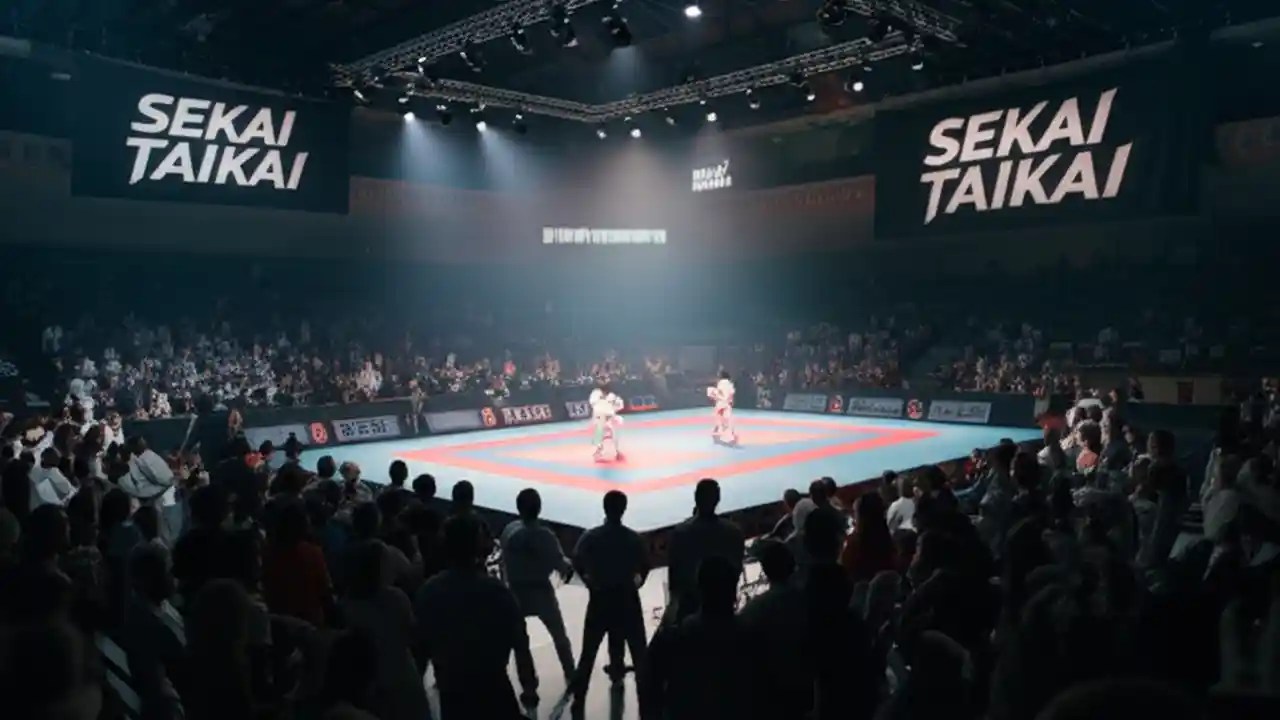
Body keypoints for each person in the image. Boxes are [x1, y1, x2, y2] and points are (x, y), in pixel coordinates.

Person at [414, 514, 535, 719]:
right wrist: (529, 687)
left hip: (452, 695)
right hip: (494, 691)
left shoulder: (430, 591)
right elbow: (520, 645)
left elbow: (419, 650)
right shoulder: (498, 592)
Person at [570, 490, 651, 710]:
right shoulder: (633, 538)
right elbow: (646, 564)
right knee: (639, 654)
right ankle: (648, 703)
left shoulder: (591, 537)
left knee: (588, 653)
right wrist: (638, 581)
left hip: (600, 598)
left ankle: (579, 700)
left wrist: (588, 580)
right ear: (623, 509)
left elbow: (576, 559)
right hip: (627, 598)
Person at [645, 556, 753, 720]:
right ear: (733, 593)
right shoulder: (752, 638)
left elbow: (650, 694)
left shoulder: (671, 640)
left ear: (700, 590)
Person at [499, 488, 577, 695]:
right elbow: (560, 565)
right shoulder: (545, 536)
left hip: (516, 591)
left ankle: (529, 687)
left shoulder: (509, 531)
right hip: (541, 591)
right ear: (539, 508)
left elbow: (502, 562)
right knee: (559, 635)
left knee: (519, 643)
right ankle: (571, 674)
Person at [665, 479, 745, 624]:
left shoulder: (681, 533)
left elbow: (675, 579)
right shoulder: (733, 532)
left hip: (691, 606)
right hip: (724, 604)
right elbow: (737, 569)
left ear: (695, 497)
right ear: (718, 499)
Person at [588, 381, 625, 461]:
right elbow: (595, 406)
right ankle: (598, 453)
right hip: (599, 419)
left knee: (612, 434)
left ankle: (617, 452)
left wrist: (614, 411)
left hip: (606, 419)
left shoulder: (612, 396)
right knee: (599, 436)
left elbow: (619, 405)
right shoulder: (595, 395)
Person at [707, 369, 738, 444]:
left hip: (721, 404)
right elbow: (730, 394)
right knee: (726, 420)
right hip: (725, 404)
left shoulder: (721, 383)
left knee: (720, 420)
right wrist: (731, 401)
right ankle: (730, 436)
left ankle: (716, 435)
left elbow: (720, 392)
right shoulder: (729, 383)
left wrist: (715, 396)